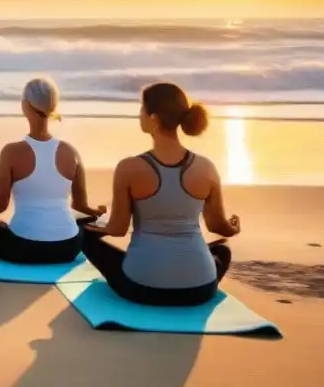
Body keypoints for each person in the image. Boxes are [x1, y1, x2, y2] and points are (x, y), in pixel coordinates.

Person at [80, 82, 240, 306]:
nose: (139, 115)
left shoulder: (129, 168)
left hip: (142, 288)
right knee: (222, 248)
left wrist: (93, 226)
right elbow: (217, 226)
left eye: (142, 109)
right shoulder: (206, 167)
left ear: (153, 118)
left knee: (82, 236)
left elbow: (117, 229)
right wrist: (233, 226)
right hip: (200, 290)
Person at [0, 76, 105, 263]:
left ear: (26, 105)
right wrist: (97, 212)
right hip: (68, 248)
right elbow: (80, 206)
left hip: (21, 248)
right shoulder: (71, 152)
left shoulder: (10, 152)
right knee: (93, 222)